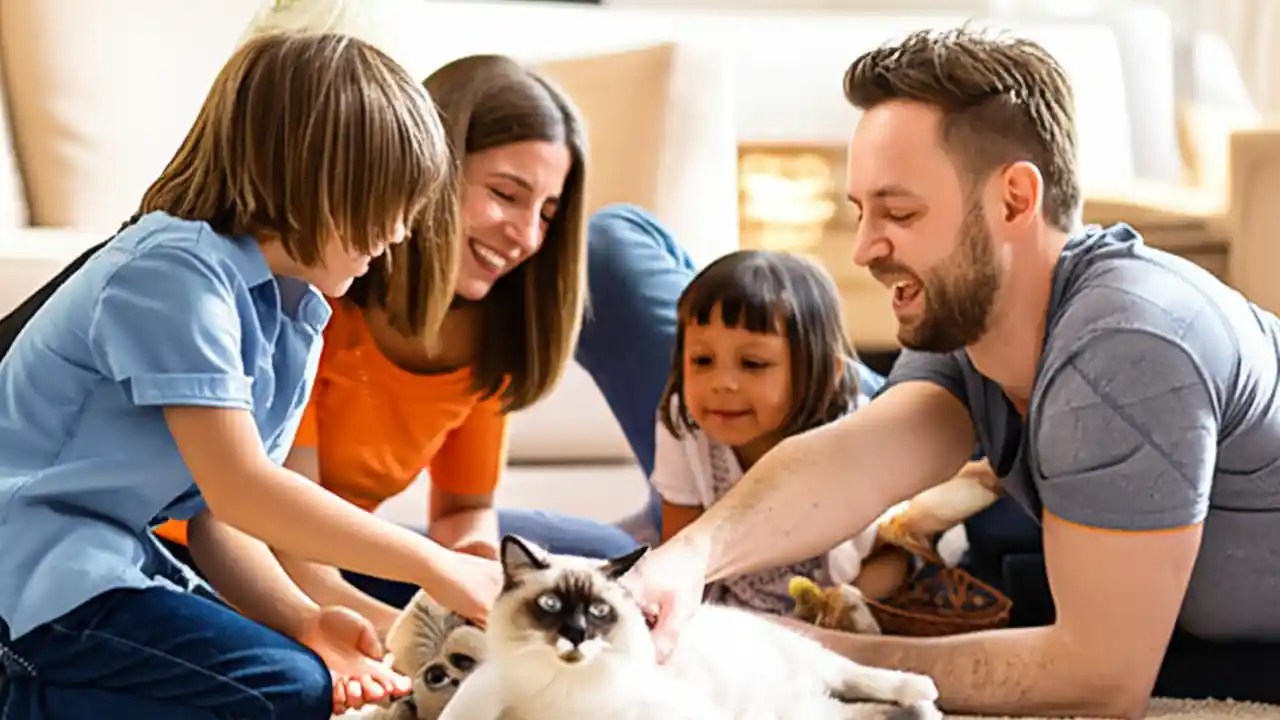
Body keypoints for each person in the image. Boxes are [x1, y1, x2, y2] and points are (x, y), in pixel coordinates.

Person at [620, 26, 1280, 718]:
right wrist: (688, 558)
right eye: (862, 213)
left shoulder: (1127, 344)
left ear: (1014, 201)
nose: (868, 249)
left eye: (899, 212)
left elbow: (1100, 677)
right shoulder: (978, 322)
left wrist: (796, 648)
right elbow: (858, 455)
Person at [0, 32, 503, 720]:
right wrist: (433, 563)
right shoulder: (170, 272)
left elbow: (217, 518)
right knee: (285, 690)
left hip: (101, 567)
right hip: (29, 572)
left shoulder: (289, 310)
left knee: (299, 674)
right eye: (389, 204)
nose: (398, 234)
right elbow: (243, 489)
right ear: (319, 181)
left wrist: (303, 618)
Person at [143, 53, 639, 639]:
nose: (527, 236)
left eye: (548, 215)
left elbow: (460, 509)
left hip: (348, 552)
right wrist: (413, 634)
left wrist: (478, 563)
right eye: (506, 194)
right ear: (428, 171)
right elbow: (276, 521)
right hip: (242, 552)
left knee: (609, 556)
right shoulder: (315, 299)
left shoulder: (492, 336)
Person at [650, 249, 913, 614]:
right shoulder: (684, 424)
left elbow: (894, 555)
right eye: (702, 360)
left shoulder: (856, 437)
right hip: (736, 610)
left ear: (822, 377)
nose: (721, 383)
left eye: (753, 364)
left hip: (841, 603)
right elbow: (680, 549)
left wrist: (844, 612)